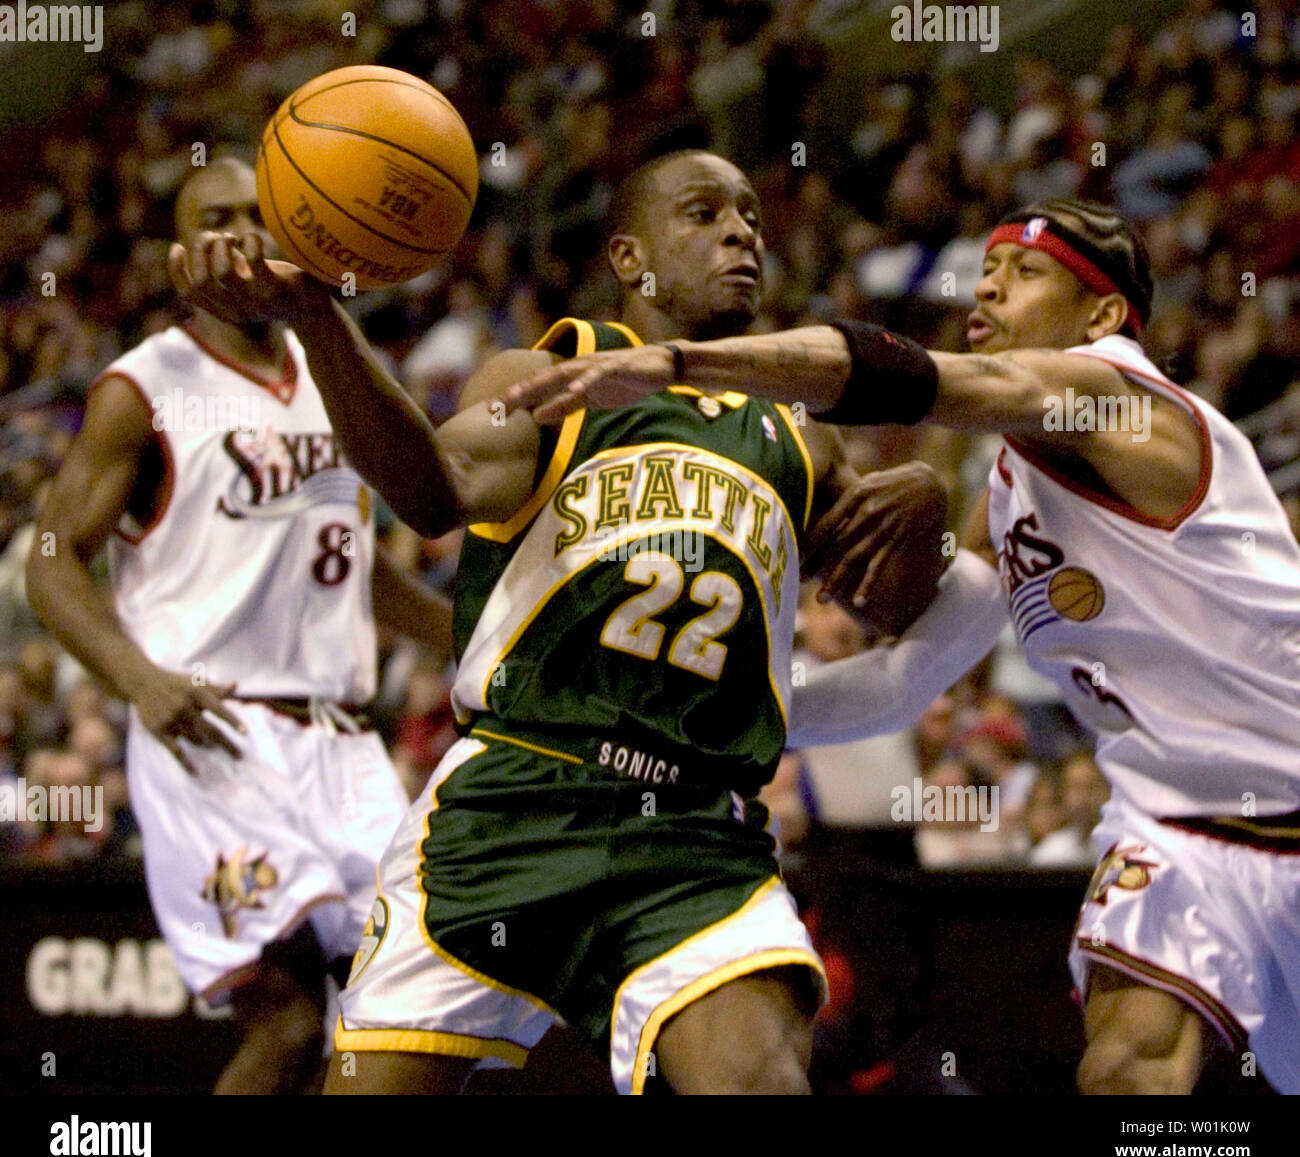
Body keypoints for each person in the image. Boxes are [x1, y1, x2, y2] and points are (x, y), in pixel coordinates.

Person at [166, 147, 948, 1095]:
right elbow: (431, 490)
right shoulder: (552, 372)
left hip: (694, 831)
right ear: (630, 256)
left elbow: (895, 604)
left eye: (748, 214)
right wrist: (317, 319)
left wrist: (924, 504)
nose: (740, 230)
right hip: (513, 802)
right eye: (703, 214)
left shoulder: (797, 432)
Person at [505, 196, 1300, 1095]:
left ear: (1104, 317)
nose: (990, 285)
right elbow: (901, 679)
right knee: (1125, 1068)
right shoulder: (1009, 485)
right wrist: (701, 728)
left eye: (1027, 272)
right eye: (989, 268)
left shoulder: (1113, 396)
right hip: (1175, 830)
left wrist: (682, 363)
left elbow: (906, 374)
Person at [27, 158, 454, 1094]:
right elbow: (50, 559)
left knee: (408, 1016)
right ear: (181, 251)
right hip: (211, 730)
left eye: (257, 216)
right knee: (288, 1022)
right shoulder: (141, 387)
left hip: (344, 747)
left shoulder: (330, 369)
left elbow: (351, 562)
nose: (239, 233)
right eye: (213, 217)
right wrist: (137, 679)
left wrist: (466, 636)